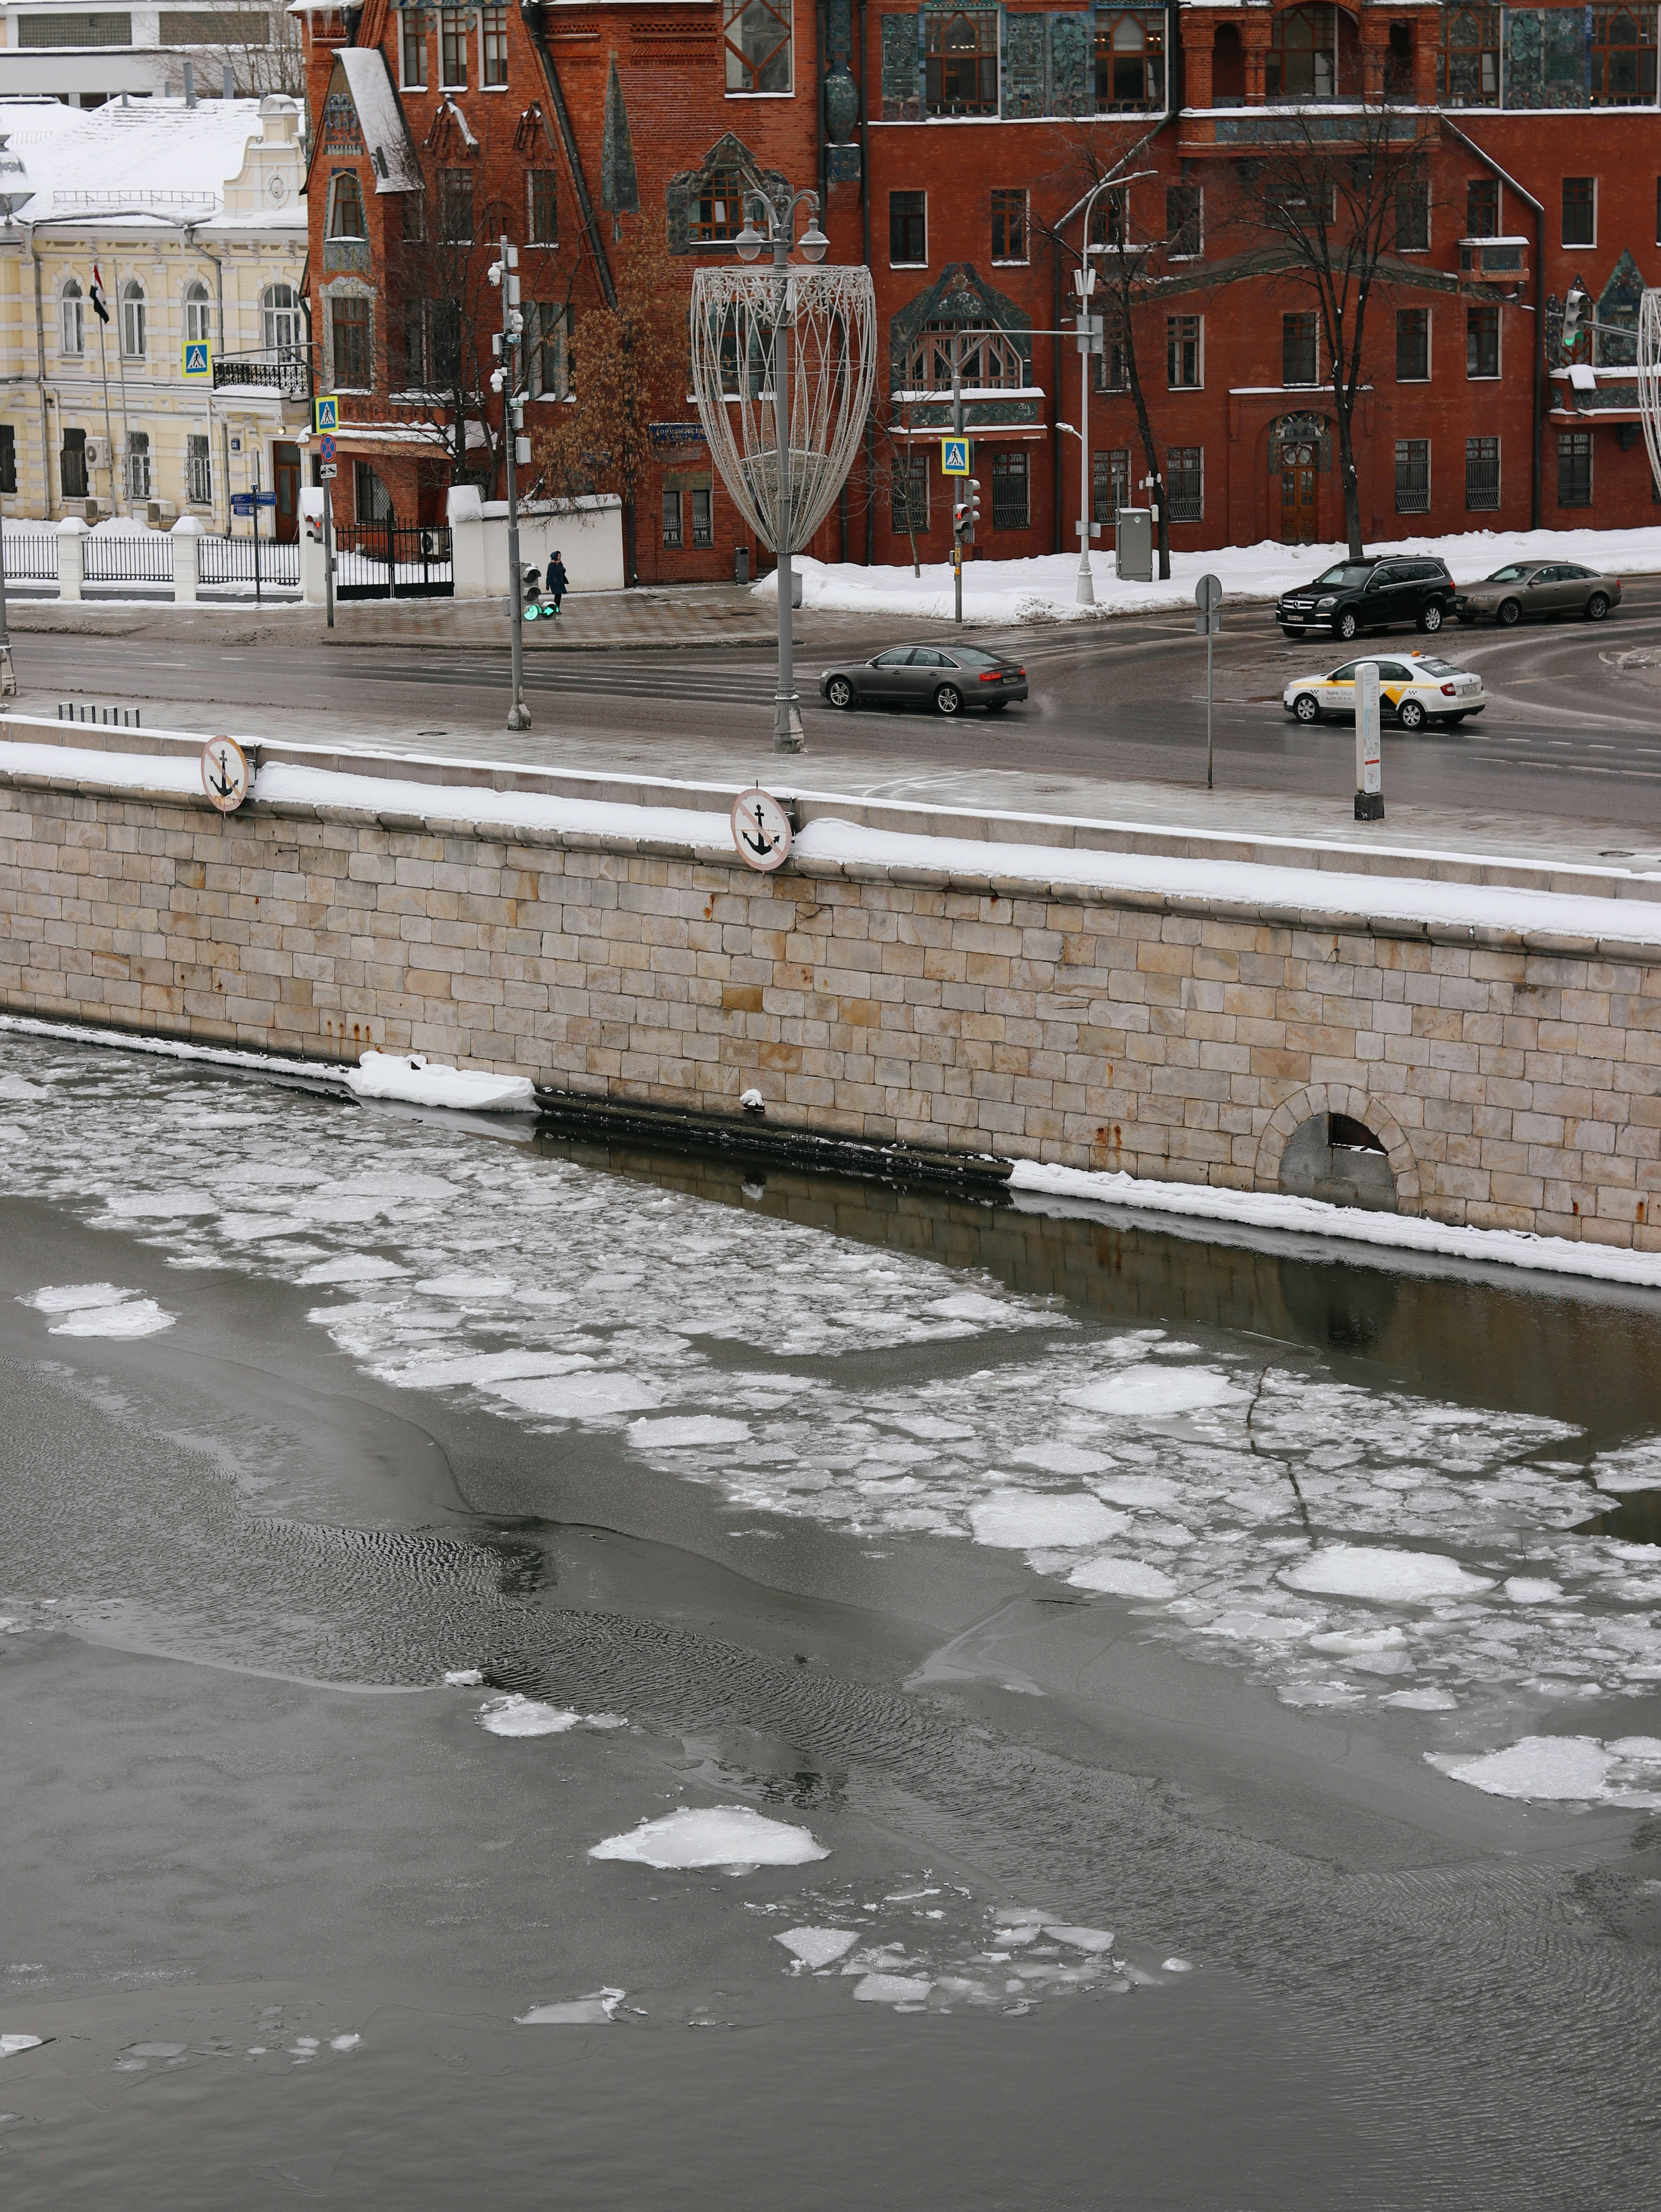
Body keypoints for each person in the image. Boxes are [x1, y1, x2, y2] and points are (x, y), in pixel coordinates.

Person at [547, 551, 569, 615]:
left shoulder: (560, 564)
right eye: (558, 556)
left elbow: (562, 572)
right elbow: (549, 574)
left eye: (560, 556)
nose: (559, 557)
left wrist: (563, 570)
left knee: (559, 596)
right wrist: (548, 584)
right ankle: (556, 609)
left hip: (560, 581)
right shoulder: (551, 565)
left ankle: (556, 608)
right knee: (558, 594)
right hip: (554, 582)